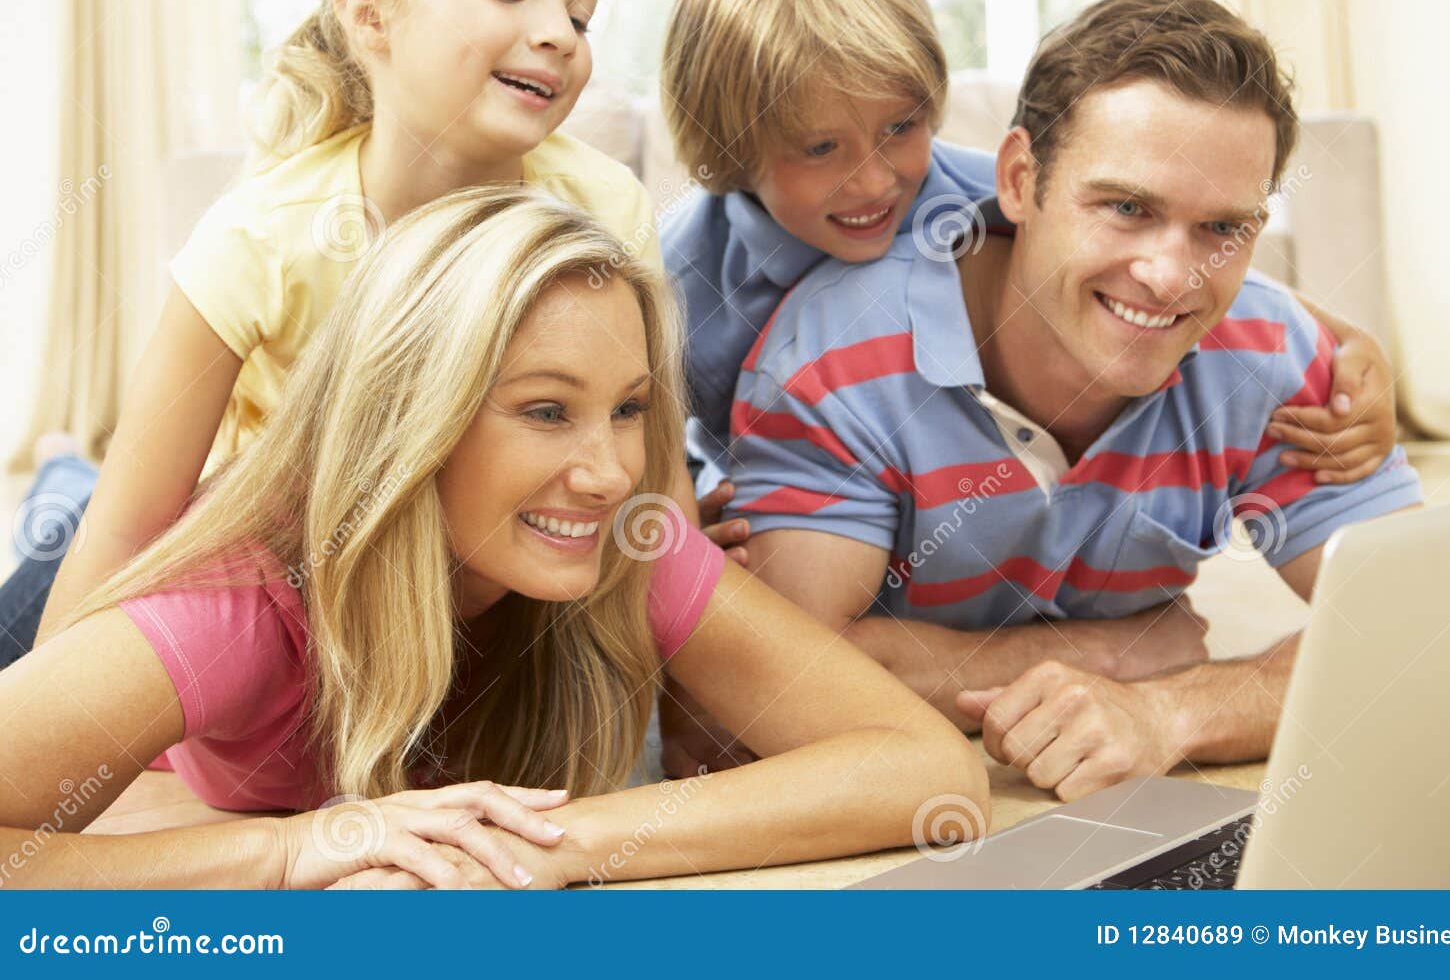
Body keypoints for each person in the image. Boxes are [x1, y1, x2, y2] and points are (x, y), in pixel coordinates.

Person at [0, 189, 985, 888]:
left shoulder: (619, 538)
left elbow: (929, 769)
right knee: (67, 509)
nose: (609, 471)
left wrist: (544, 843)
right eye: (547, 410)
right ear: (411, 421)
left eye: (630, 407)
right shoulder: (240, 601)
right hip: (135, 569)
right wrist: (291, 850)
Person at [655, 0, 1400, 774]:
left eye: (900, 128)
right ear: (731, 151)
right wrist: (674, 535)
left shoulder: (967, 189)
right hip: (712, 480)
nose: (872, 179)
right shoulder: (685, 284)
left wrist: (1328, 337)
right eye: (820, 148)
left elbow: (1186, 278)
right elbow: (769, 686)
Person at [0, 0, 736, 670]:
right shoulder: (262, 239)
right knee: (52, 558)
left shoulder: (603, 207)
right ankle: (63, 474)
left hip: (448, 578)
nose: (561, 34)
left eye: (579, 11)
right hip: (258, 553)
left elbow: (646, 469)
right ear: (368, 12)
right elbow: (130, 527)